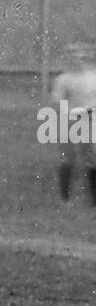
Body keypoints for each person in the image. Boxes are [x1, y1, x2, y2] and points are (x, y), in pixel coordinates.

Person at [52, 45, 96, 204]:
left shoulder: (93, 77)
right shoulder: (63, 79)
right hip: (70, 120)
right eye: (73, 56)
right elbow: (58, 102)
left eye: (82, 56)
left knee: (91, 157)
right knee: (68, 157)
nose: (78, 60)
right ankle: (65, 198)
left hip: (90, 120)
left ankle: (93, 199)